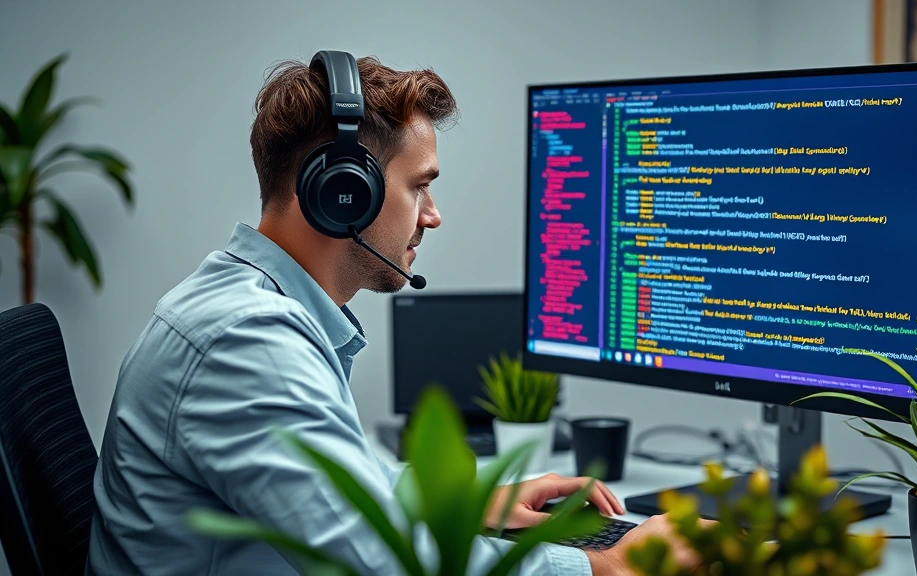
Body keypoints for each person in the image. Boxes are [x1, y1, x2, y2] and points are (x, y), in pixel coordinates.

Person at [87, 50, 698, 575]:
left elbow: (343, 488)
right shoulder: (245, 341)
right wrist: (607, 564)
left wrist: (468, 498)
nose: (432, 215)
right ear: (341, 193)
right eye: (418, 185)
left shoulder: (252, 308)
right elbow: (383, 561)